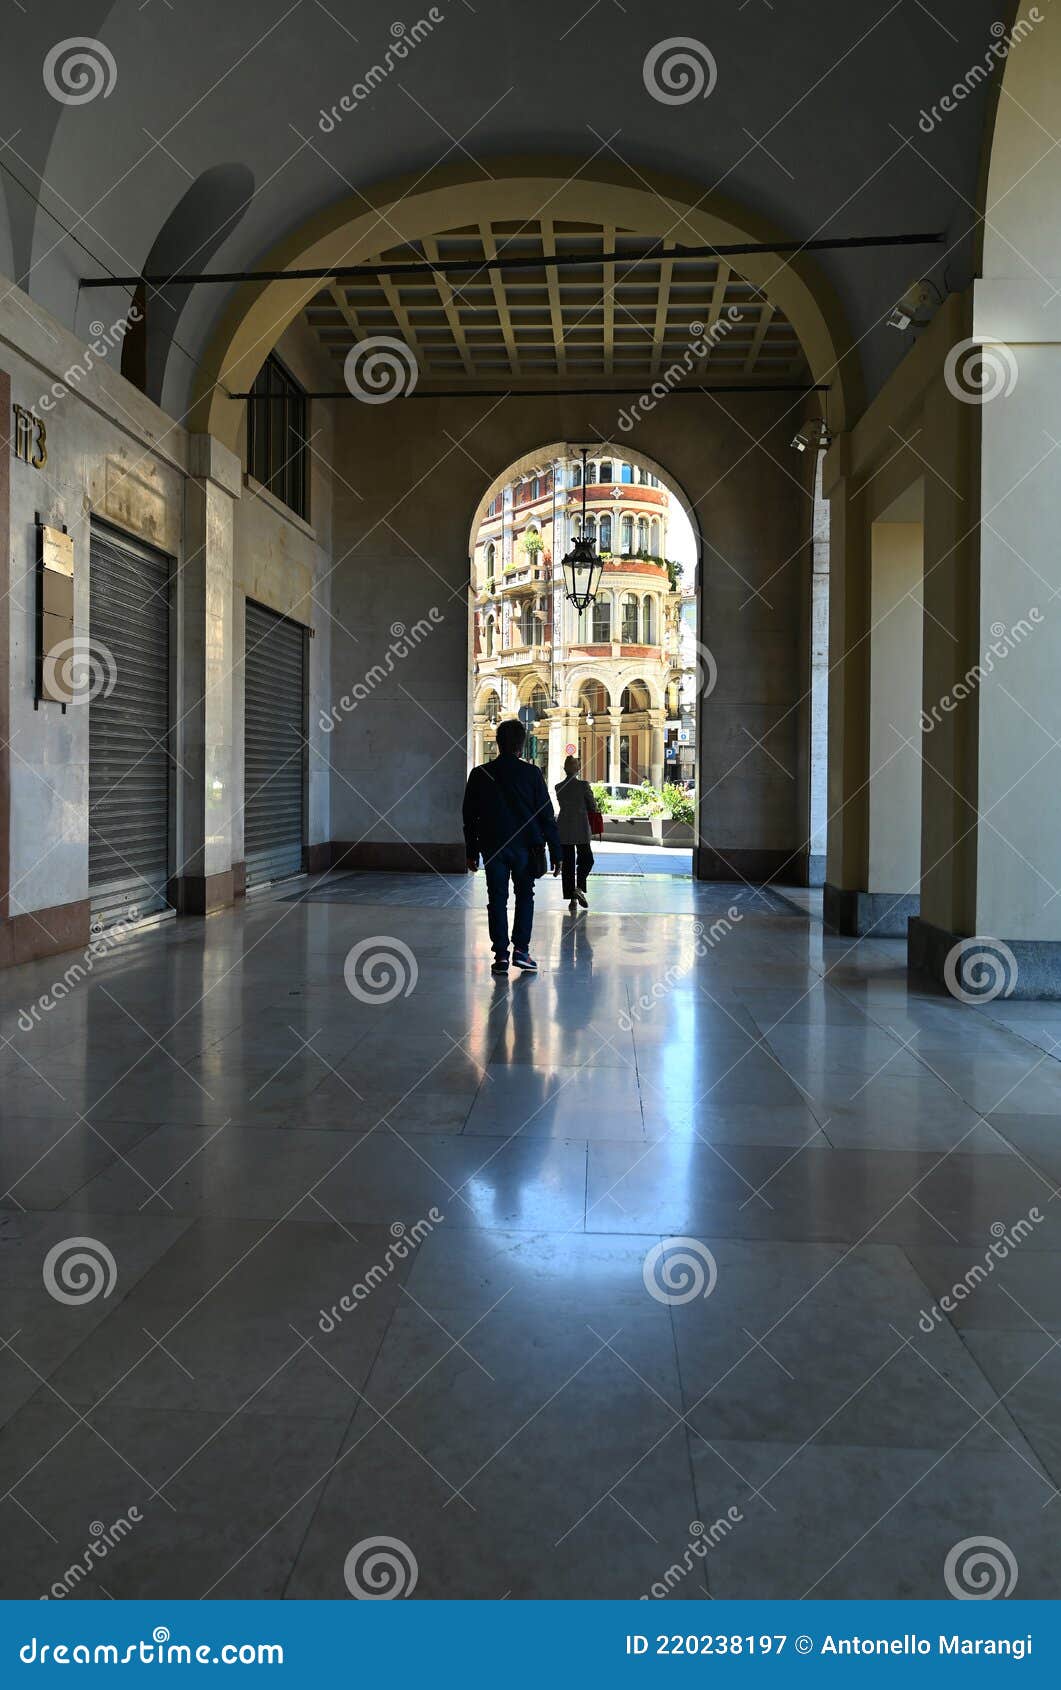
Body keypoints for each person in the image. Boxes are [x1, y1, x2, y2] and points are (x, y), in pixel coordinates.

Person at [463, 718, 561, 974]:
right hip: (526, 848)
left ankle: (501, 956)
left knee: (496, 899)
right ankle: (521, 951)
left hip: (493, 847)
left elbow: (469, 816)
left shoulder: (480, 774)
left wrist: (471, 851)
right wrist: (557, 852)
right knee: (525, 896)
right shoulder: (532, 774)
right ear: (521, 746)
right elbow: (546, 814)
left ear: (497, 744)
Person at [555, 753, 600, 914]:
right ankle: (579, 887)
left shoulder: (558, 787)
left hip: (564, 828)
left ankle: (573, 899)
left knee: (567, 865)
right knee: (587, 859)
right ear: (576, 769)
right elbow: (592, 806)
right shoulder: (583, 785)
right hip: (580, 827)